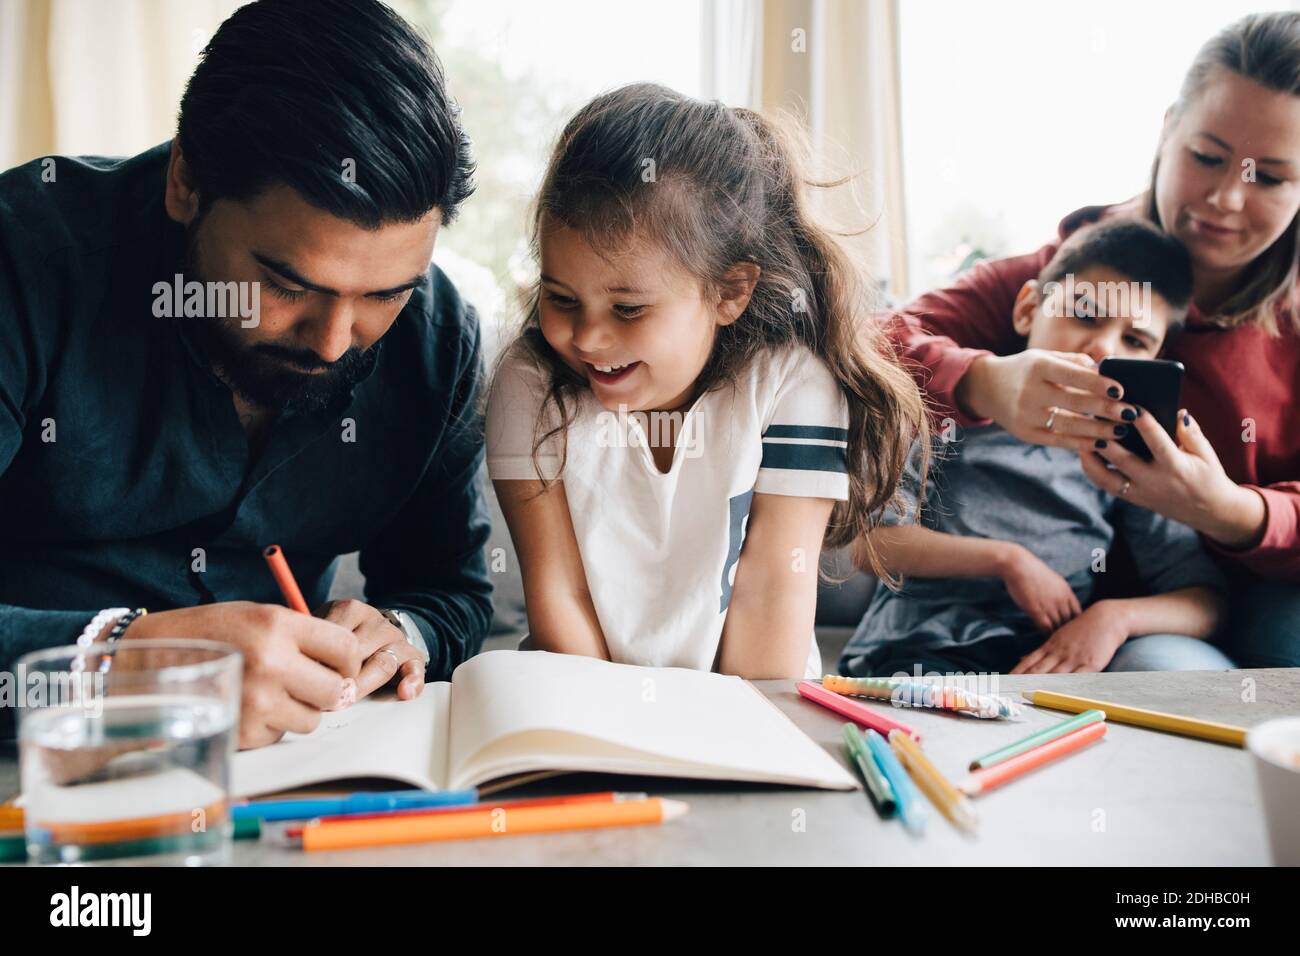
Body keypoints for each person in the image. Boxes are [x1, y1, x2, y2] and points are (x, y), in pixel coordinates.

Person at [0, 0, 491, 748]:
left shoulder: (437, 338)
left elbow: (449, 589)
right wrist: (121, 665)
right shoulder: (24, 263)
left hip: (296, 777)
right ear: (186, 182)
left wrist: (402, 632)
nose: (333, 344)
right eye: (288, 285)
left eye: (384, 295)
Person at [883, 12, 1300, 667]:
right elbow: (869, 341)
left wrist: (1234, 512)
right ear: (1168, 131)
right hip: (1049, 623)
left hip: (1224, 599)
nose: (1225, 198)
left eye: (1268, 177)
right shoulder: (1081, 263)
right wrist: (983, 380)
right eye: (1206, 157)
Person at [486, 83, 927, 679]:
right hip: (583, 690)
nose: (587, 338)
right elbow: (559, 591)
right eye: (562, 298)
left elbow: (770, 587)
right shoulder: (529, 381)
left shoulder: (794, 384)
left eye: (628, 309)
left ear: (729, 291)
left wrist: (724, 727)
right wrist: (611, 721)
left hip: (755, 695)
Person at [841, 220, 1230, 677]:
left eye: (1134, 340)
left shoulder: (1126, 457)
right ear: (1029, 309)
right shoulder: (948, 412)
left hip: (1047, 662)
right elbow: (870, 545)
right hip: (920, 648)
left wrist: (1115, 618)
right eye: (1085, 315)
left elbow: (1205, 601)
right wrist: (1008, 561)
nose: (1102, 347)